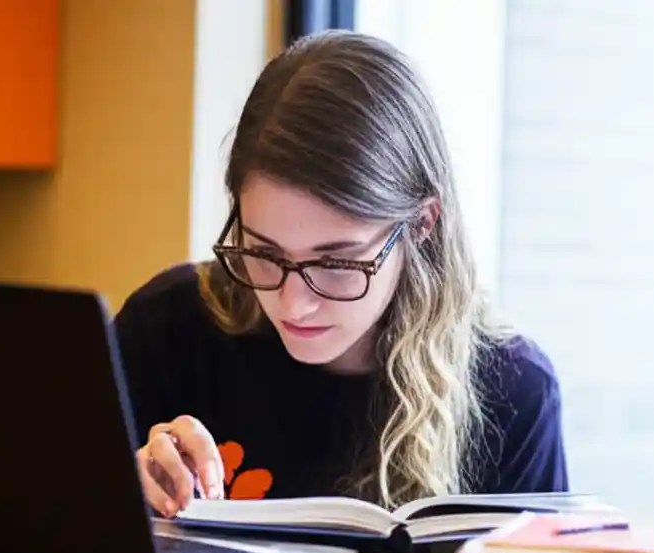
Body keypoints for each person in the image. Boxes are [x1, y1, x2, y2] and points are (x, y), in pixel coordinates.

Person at [113, 30, 567, 517]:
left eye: (335, 264)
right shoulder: (167, 328)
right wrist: (115, 495)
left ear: (421, 225)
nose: (294, 302)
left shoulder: (510, 392)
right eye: (263, 253)